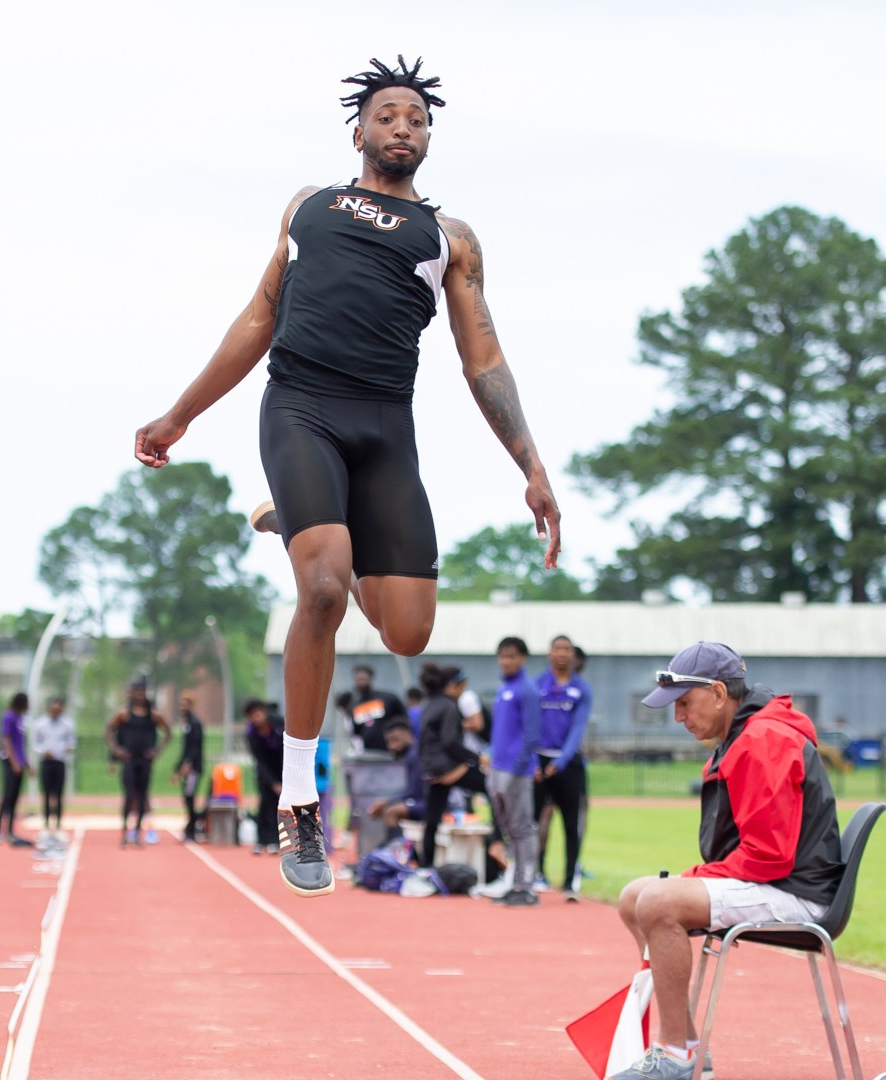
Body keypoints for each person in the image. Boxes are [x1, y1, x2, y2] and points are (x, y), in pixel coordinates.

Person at [132, 56, 562, 897]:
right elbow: (260, 315)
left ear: (429, 139)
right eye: (387, 115)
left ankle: (289, 521)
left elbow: (483, 359)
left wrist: (532, 465)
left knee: (406, 633)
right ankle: (299, 804)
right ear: (358, 129)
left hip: (383, 430)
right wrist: (181, 413)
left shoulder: (451, 240)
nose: (403, 127)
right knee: (324, 590)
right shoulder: (310, 207)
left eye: (417, 119)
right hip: (300, 409)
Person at [612, 642, 844, 1080]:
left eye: (684, 704)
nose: (678, 717)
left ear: (719, 693)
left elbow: (770, 857)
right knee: (634, 898)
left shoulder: (764, 739)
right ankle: (689, 1046)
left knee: (659, 902)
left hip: (796, 893)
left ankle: (676, 1056)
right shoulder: (745, 734)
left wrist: (694, 878)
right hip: (776, 880)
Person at [534, 634, 591, 900]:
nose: (561, 654)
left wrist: (561, 761)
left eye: (566, 649)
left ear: (572, 655)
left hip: (567, 763)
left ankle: (570, 882)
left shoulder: (581, 689)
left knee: (571, 824)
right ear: (549, 653)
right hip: (538, 762)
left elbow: (578, 728)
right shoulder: (537, 686)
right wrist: (535, 760)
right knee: (535, 823)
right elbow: (530, 726)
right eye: (557, 648)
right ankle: (536, 874)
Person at [486, 636, 539, 906]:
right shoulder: (504, 689)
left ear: (522, 659)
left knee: (523, 828)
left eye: (512, 656)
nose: (506, 661)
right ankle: (515, 881)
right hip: (498, 767)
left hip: (515, 771)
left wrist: (517, 770)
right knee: (510, 829)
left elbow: (531, 734)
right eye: (503, 656)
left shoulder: (526, 689)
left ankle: (526, 885)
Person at [416, 664, 485, 869]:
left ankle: (425, 867)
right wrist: (477, 758)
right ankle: (497, 847)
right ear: (454, 686)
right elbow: (450, 741)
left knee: (432, 819)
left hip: (431, 768)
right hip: (447, 767)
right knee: (494, 790)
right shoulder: (449, 706)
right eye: (463, 686)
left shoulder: (429, 703)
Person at [107, 678, 170, 847]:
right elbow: (108, 730)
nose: (140, 695)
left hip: (145, 760)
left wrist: (157, 750)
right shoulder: (124, 714)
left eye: (142, 692)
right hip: (129, 760)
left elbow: (168, 732)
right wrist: (117, 750)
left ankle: (137, 833)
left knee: (143, 796)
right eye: (137, 692)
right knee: (128, 796)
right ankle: (124, 833)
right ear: (132, 694)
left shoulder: (153, 714)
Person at [245, 700, 284, 855]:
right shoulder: (251, 733)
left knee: (278, 806)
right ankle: (261, 840)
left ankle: (275, 840)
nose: (256, 718)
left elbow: (285, 751)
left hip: (281, 768)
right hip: (265, 772)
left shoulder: (278, 724)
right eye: (252, 716)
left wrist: (282, 780)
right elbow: (259, 760)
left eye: (258, 714)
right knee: (264, 804)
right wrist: (273, 783)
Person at [340, 666, 408, 754]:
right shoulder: (354, 706)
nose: (361, 682)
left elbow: (403, 718)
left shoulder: (387, 699)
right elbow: (356, 733)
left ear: (370, 679)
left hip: (389, 752)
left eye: (363, 679)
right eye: (358, 679)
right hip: (368, 753)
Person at [33, 697, 75, 836]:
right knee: (46, 793)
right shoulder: (40, 724)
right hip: (46, 762)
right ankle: (45, 821)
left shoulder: (67, 724)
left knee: (58, 793)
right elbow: (35, 744)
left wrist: (66, 749)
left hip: (59, 762)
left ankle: (58, 822)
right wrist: (43, 752)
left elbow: (72, 743)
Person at [0, 693, 30, 844]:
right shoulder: (8, 716)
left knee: (14, 796)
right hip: (10, 762)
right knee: (8, 795)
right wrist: (14, 762)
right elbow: (6, 740)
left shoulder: (20, 718)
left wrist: (26, 763)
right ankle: (0, 827)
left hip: (19, 763)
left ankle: (8, 829)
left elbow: (19, 745)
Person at [172, 694, 206, 842]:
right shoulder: (186, 724)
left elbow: (195, 747)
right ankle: (191, 826)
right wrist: (177, 768)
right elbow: (185, 748)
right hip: (187, 766)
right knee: (187, 798)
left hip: (193, 768)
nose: (182, 707)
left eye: (185, 704)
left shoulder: (195, 723)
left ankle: (192, 830)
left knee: (190, 796)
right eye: (181, 704)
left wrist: (188, 764)